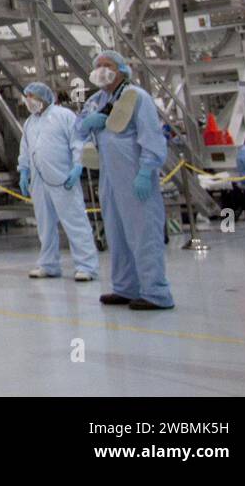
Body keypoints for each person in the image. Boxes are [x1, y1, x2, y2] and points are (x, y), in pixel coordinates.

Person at [76, 50, 173, 310]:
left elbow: (151, 137)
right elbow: (79, 126)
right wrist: (86, 124)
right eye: (98, 66)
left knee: (143, 233)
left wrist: (146, 171)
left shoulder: (136, 97)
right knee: (116, 232)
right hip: (108, 175)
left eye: (107, 65)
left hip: (134, 174)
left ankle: (156, 292)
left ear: (121, 70)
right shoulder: (97, 100)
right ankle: (125, 287)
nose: (101, 70)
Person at [17, 82, 99, 282]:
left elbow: (78, 142)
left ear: (43, 98)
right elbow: (25, 148)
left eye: (32, 97)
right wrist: (24, 170)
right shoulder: (29, 122)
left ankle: (86, 265)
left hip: (63, 178)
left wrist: (78, 166)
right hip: (39, 180)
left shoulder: (64, 116)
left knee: (75, 221)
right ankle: (48, 264)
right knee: (44, 225)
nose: (29, 102)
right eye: (26, 97)